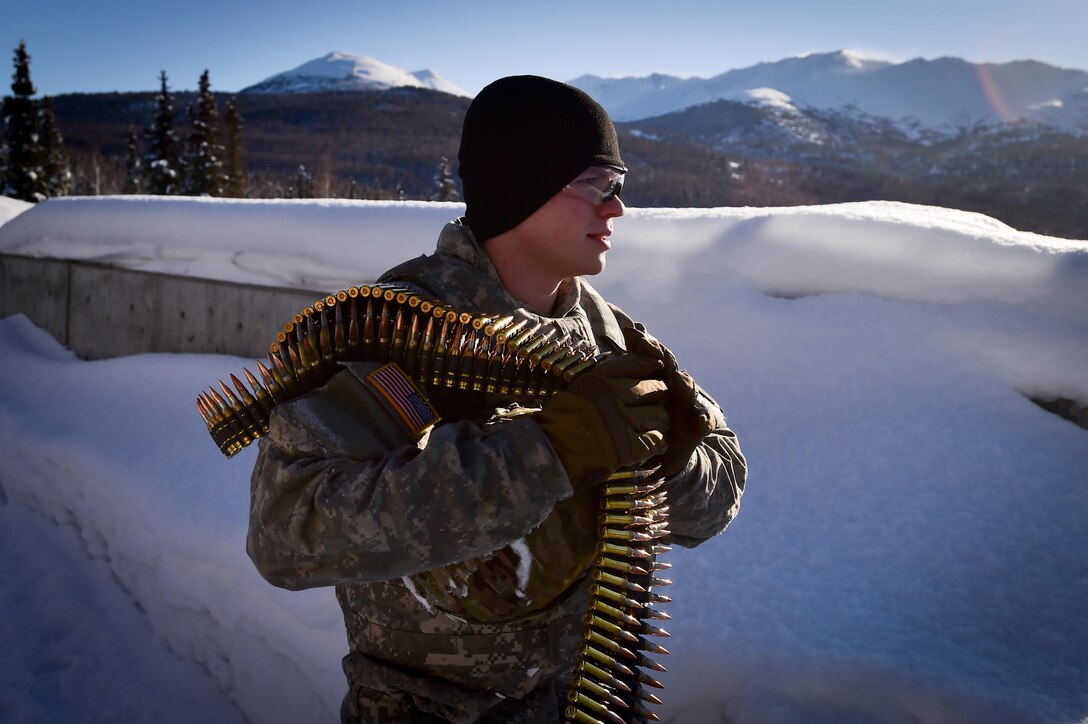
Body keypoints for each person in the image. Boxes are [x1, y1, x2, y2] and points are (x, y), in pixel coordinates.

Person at [246, 75, 747, 723]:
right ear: (522, 185)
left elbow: (721, 494)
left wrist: (675, 463)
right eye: (598, 183)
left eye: (618, 185)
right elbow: (284, 535)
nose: (617, 208)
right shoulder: (385, 336)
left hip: (594, 701)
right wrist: (546, 455)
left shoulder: (613, 338)